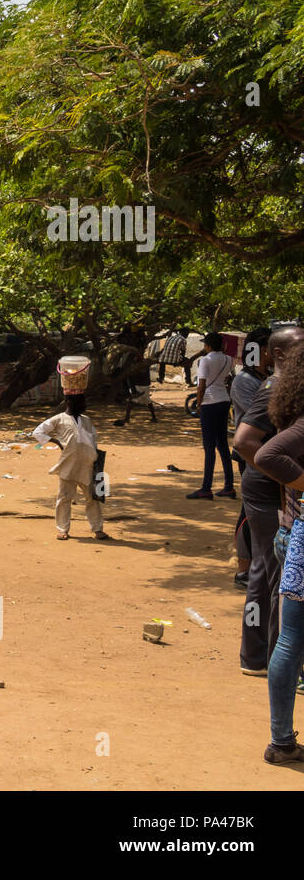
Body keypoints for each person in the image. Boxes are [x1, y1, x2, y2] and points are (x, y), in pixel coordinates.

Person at [233, 325, 304, 677]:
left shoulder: (282, 388)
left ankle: (257, 656)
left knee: (264, 572)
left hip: (268, 486)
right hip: (266, 490)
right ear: (277, 354)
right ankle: (274, 658)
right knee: (276, 576)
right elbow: (244, 442)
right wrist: (289, 481)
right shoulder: (272, 389)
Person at [249, 342, 304, 762]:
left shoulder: (292, 408)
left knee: (290, 640)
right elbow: (266, 452)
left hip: (293, 531)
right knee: (290, 640)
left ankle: (281, 741)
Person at [33, 394, 110, 542]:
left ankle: (98, 529)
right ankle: (62, 530)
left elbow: (93, 439)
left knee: (93, 499)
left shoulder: (87, 420)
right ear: (68, 402)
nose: (83, 404)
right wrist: (56, 442)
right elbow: (38, 432)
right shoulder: (59, 419)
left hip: (88, 465)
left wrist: (96, 462)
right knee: (64, 498)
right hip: (68, 464)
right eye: (80, 402)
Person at [230, 327, 273, 587]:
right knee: (248, 513)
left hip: (266, 453)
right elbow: (263, 417)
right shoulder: (245, 381)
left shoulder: (264, 378)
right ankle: (243, 568)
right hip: (251, 455)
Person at [186, 332, 236, 500]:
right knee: (222, 445)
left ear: (207, 345)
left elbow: (201, 386)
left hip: (209, 402)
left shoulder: (205, 360)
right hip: (224, 400)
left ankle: (206, 488)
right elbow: (228, 378)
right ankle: (229, 486)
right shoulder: (228, 359)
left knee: (209, 447)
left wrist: (199, 405)